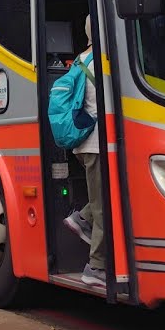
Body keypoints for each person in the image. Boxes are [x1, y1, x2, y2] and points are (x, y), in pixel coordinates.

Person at [62, 15, 106, 287]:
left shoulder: (81, 59)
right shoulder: (100, 62)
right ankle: (96, 268)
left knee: (103, 202)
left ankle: (82, 218)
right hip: (97, 144)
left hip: (85, 143)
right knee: (104, 208)